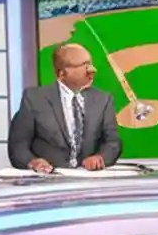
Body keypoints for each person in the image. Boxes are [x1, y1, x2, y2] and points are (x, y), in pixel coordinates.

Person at [8, 43, 121, 172]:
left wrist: (100, 157)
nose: (92, 70)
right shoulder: (34, 99)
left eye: (90, 64)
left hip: (89, 182)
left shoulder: (103, 100)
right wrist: (33, 162)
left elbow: (113, 143)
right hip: (48, 181)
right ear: (61, 73)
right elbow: (18, 146)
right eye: (84, 65)